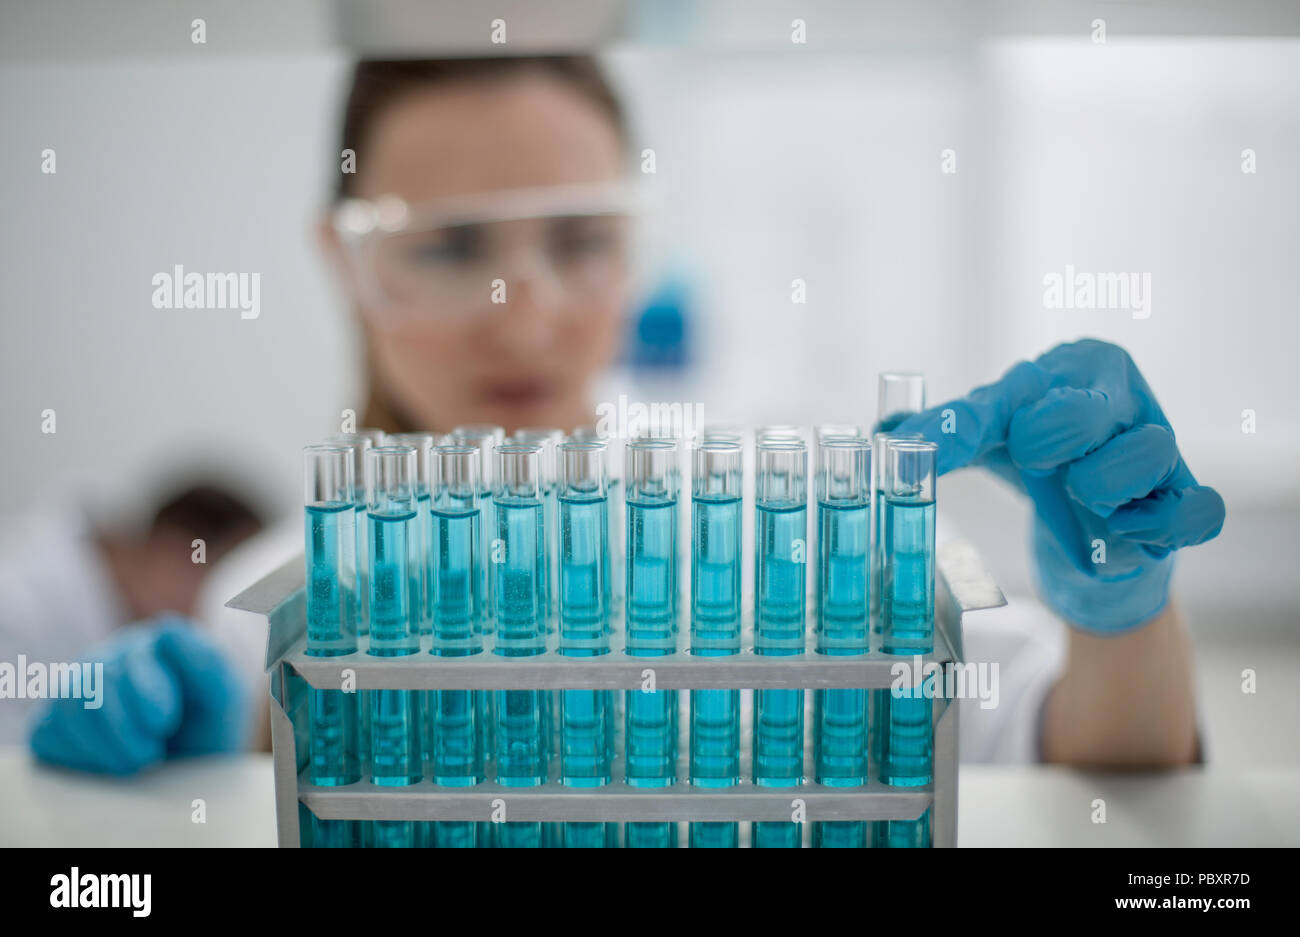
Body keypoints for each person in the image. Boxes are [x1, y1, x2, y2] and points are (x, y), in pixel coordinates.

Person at [28, 55, 1224, 778]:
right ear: (344, 263)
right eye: (448, 247)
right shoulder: (272, 590)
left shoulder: (758, 518)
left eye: (579, 239)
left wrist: (1123, 609)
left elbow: (1085, 763)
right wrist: (157, 811)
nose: (527, 308)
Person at [4, 482, 263, 755]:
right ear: (174, 556)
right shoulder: (14, 607)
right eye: (221, 588)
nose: (211, 622)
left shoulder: (117, 613)